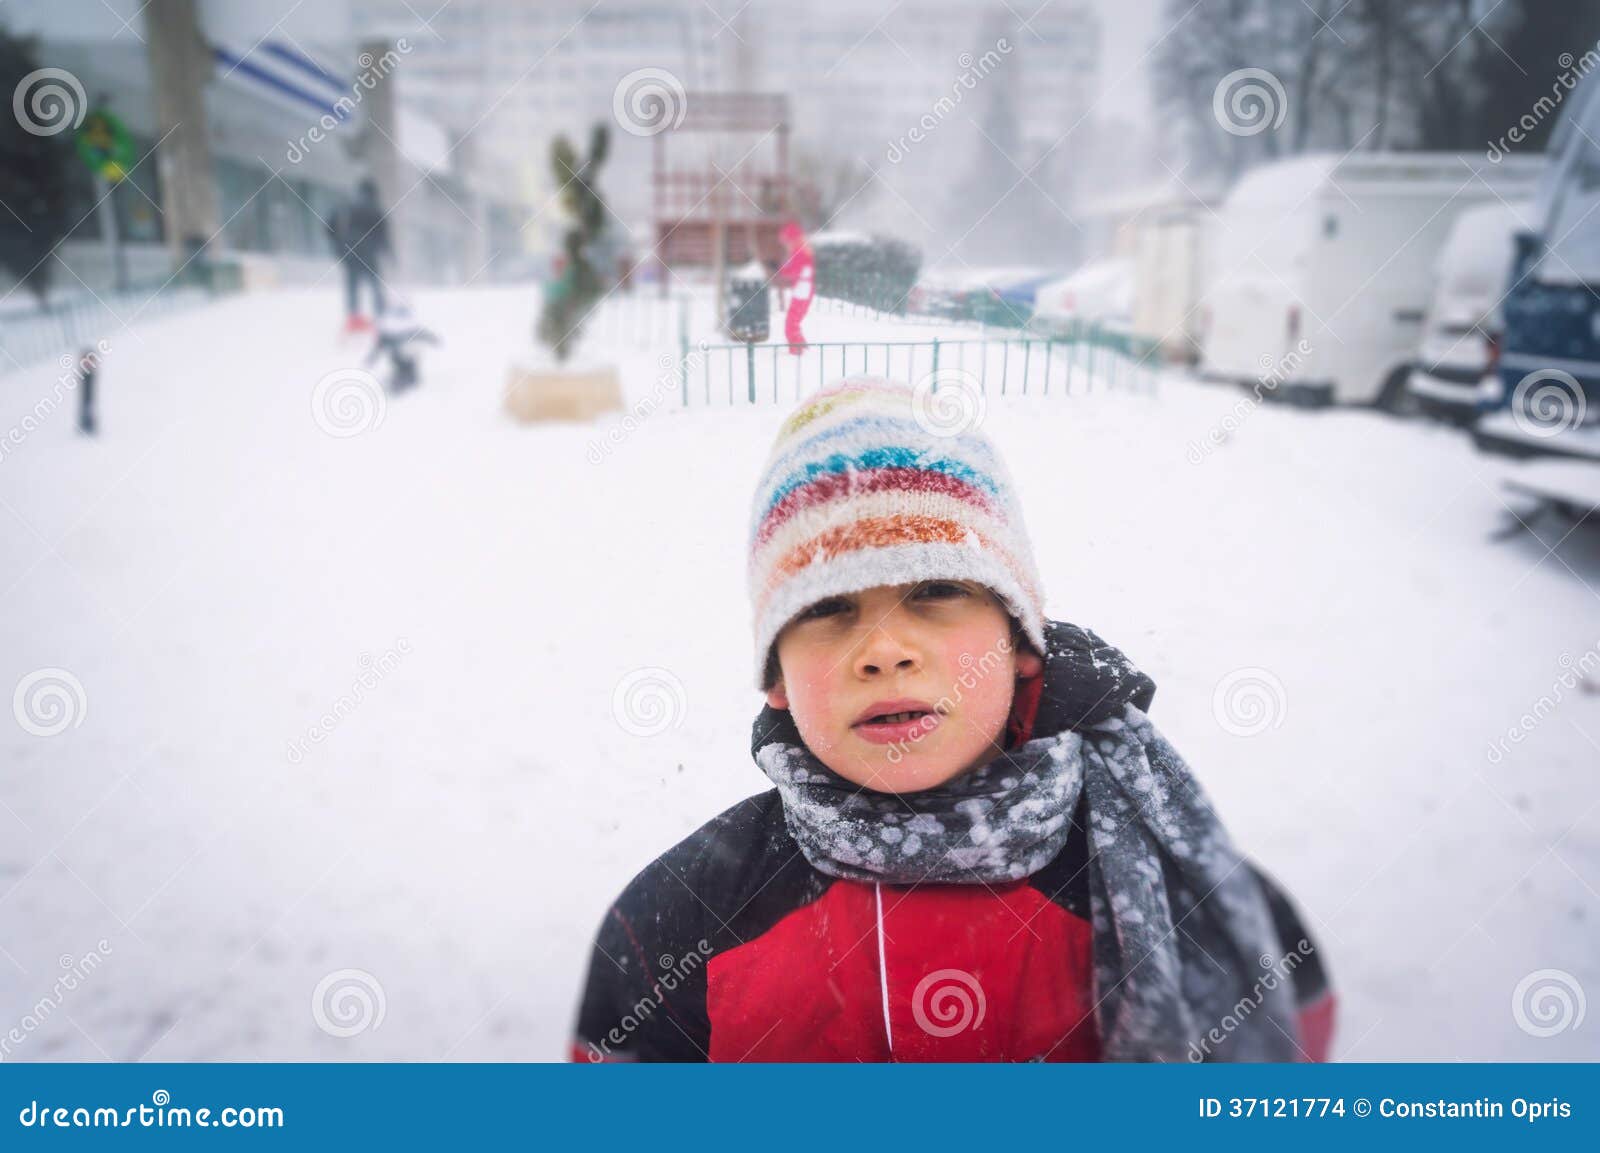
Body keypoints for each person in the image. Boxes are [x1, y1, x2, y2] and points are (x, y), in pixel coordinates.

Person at [572, 377, 1336, 1063]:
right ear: (776, 676)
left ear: (1022, 643)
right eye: (830, 608)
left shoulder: (1194, 893)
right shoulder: (675, 926)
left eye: (936, 589)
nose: (885, 650)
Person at [328, 178, 390, 333]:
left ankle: (353, 318)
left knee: (352, 285)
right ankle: (381, 317)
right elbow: (383, 235)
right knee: (375, 285)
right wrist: (389, 254)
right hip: (368, 253)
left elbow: (329, 225)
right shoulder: (375, 209)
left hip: (350, 252)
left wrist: (338, 245)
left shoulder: (347, 207)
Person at [366, 297, 439, 393]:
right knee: (400, 353)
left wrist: (432, 339)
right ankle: (400, 378)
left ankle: (407, 378)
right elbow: (380, 344)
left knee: (408, 354)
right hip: (399, 361)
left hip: (409, 362)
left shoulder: (409, 327)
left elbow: (423, 333)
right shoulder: (390, 330)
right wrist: (372, 358)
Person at [776, 219, 814, 355]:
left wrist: (781, 269)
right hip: (804, 291)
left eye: (786, 241)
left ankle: (797, 352)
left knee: (791, 325)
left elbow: (793, 272)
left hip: (802, 291)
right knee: (794, 323)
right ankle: (802, 350)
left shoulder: (799, 252)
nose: (785, 245)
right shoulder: (803, 251)